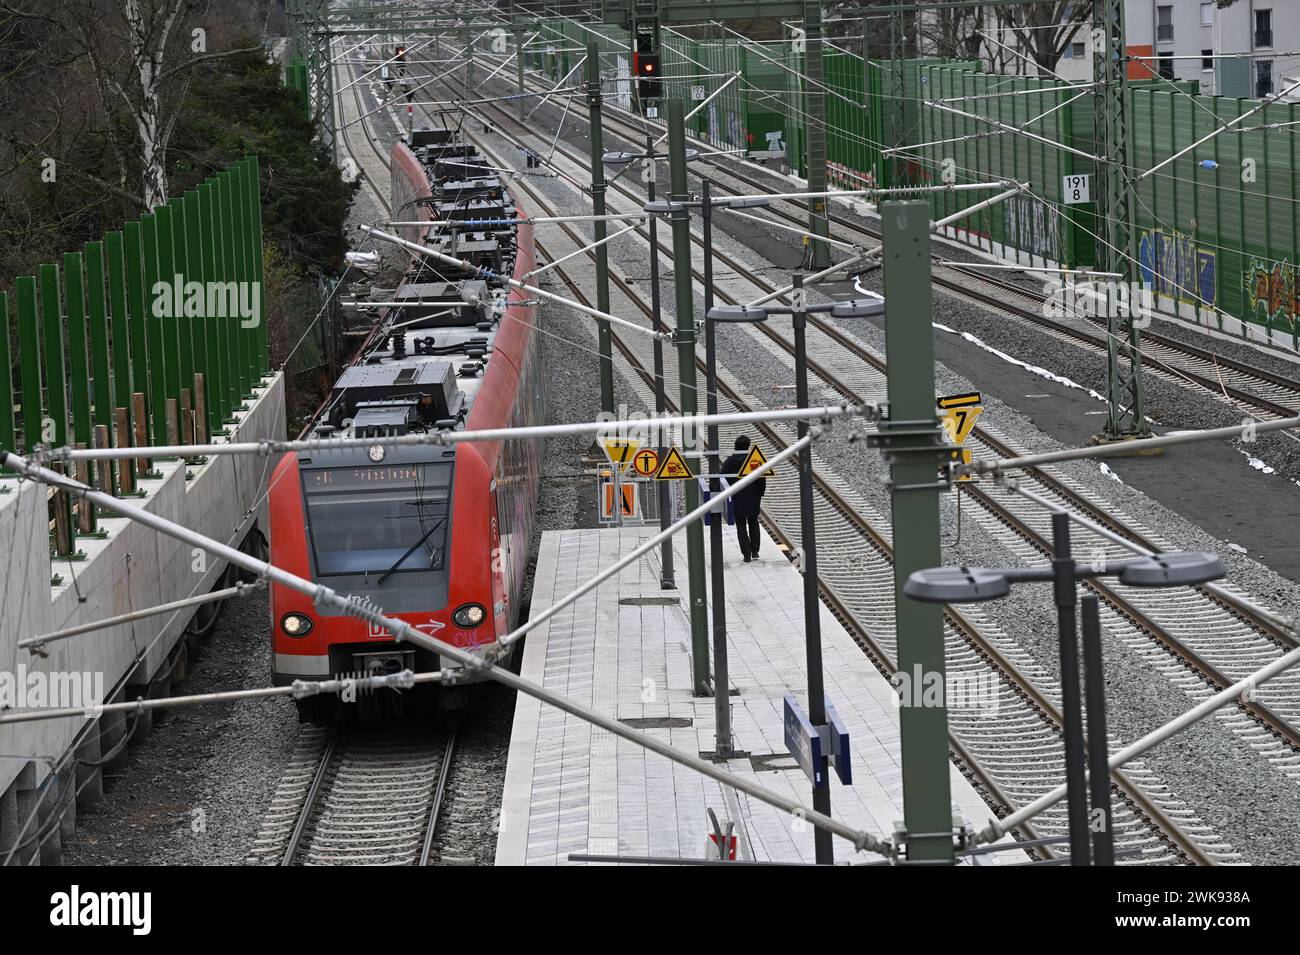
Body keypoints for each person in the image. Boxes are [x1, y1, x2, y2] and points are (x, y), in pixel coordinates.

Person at [721, 435, 766, 562]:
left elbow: (724, 478)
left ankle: (746, 554)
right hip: (753, 496)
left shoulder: (730, 461)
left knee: (741, 525)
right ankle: (755, 551)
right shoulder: (754, 460)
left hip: (737, 496)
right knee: (753, 522)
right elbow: (761, 478)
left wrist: (730, 493)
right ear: (748, 446)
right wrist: (760, 493)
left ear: (736, 446)